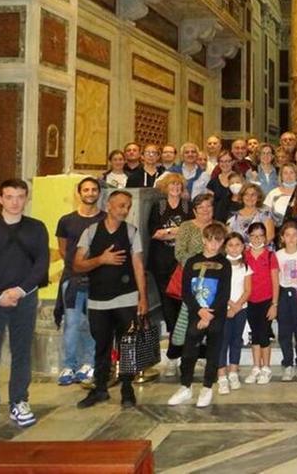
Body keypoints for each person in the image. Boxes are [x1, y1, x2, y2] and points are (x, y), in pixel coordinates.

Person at [0, 179, 50, 435]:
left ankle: (19, 401)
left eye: (20, 196)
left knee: (22, 352)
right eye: (9, 196)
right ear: (0, 199)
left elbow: (41, 263)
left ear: (26, 198)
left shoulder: (36, 228)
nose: (15, 202)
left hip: (24, 298)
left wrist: (20, 290)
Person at [74, 190, 147, 409]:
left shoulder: (132, 232)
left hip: (126, 297)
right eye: (121, 205)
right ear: (108, 205)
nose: (125, 210)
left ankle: (127, 389)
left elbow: (138, 265)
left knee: (128, 345)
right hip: (98, 299)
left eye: (128, 206)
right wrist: (101, 259)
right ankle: (100, 388)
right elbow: (77, 264)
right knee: (101, 345)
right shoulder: (91, 231)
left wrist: (142, 297)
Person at [167, 222, 232, 408]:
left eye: (218, 241)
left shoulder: (224, 264)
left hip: (215, 314)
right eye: (210, 240)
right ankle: (185, 386)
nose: (213, 244)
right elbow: (186, 291)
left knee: (213, 351)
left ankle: (207, 387)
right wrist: (199, 311)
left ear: (222, 242)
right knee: (189, 351)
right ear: (204, 240)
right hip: (196, 312)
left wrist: (209, 315)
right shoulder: (192, 262)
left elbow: (224, 293)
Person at [55, 177, 106, 387]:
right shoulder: (66, 221)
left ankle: (89, 363)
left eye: (94, 189)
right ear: (79, 193)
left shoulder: (105, 219)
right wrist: (78, 266)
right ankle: (68, 365)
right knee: (72, 323)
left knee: (93, 324)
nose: (90, 193)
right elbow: (63, 249)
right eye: (86, 189)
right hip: (73, 279)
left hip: (98, 280)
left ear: (99, 193)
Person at [147, 173, 193, 376]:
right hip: (161, 264)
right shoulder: (158, 207)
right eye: (172, 184)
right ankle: (174, 356)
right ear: (166, 187)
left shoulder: (187, 207)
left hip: (182, 264)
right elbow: (154, 233)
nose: (175, 187)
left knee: (183, 308)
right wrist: (176, 231)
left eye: (178, 184)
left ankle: (183, 354)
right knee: (168, 308)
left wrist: (168, 232)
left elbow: (191, 232)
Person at [274, 221, 297, 381]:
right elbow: (276, 276)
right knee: (284, 332)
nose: (291, 238)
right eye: (287, 235)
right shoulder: (278, 255)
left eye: (294, 235)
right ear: (282, 237)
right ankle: (288, 364)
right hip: (284, 294)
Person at [243, 222, 279, 384]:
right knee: (255, 335)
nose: (257, 239)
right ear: (249, 237)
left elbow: (275, 281)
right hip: (250, 301)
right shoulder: (244, 256)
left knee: (264, 335)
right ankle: (256, 367)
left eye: (260, 236)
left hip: (266, 301)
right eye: (253, 236)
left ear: (265, 237)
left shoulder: (270, 256)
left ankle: (266, 368)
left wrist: (274, 304)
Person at [217, 232, 252, 393]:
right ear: (225, 247)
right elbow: (219, 289)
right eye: (230, 245)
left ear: (243, 247)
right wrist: (230, 306)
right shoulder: (220, 265)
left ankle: (233, 372)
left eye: (238, 245)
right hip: (223, 309)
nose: (234, 248)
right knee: (222, 342)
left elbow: (248, 290)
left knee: (236, 341)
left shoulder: (245, 266)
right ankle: (221, 376)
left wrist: (237, 306)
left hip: (240, 309)